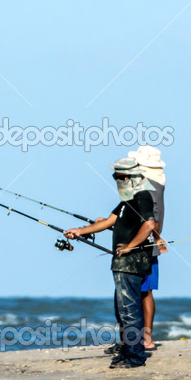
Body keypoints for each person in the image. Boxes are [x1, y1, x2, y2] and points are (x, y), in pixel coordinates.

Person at [64, 158, 156, 368]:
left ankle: (135, 357)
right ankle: (127, 351)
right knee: (121, 311)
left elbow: (150, 224)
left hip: (131, 263)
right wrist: (79, 231)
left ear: (128, 177)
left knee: (130, 311)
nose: (116, 180)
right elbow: (108, 221)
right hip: (121, 264)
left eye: (118, 177)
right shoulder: (127, 201)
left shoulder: (142, 196)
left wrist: (130, 246)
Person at [128, 145, 167, 351]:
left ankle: (142, 339)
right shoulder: (158, 183)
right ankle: (145, 338)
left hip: (142, 245)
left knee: (138, 292)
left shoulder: (146, 186)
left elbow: (152, 219)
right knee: (146, 292)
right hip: (149, 244)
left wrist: (155, 238)